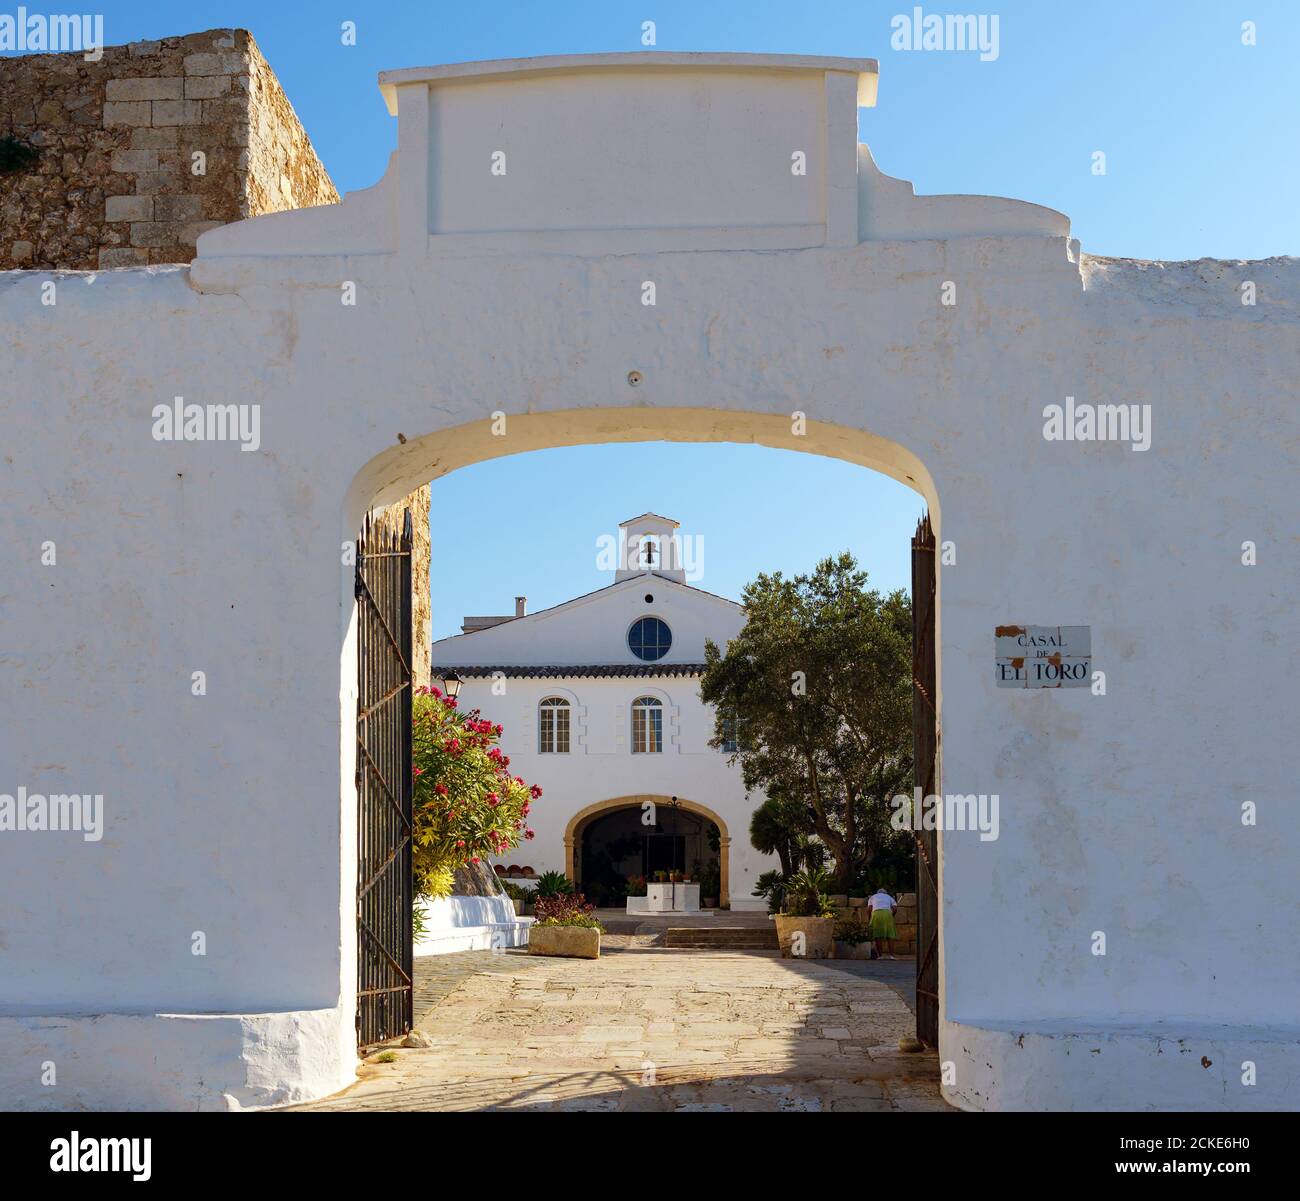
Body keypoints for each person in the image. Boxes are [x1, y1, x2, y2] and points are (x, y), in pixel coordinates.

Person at [866, 887, 898, 959]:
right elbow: (895, 908)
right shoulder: (889, 897)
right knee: (890, 935)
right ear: (885, 893)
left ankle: (880, 956)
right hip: (887, 914)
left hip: (876, 914)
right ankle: (891, 956)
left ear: (878, 893)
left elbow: (869, 909)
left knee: (878, 935)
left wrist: (869, 919)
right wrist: (892, 915)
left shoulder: (873, 897)